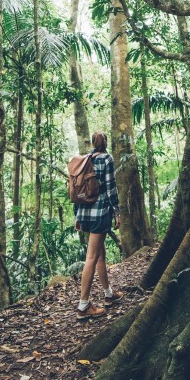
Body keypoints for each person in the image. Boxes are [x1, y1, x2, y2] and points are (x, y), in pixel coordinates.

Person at [74, 131, 121, 318]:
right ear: (106, 143)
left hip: (84, 213)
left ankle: (109, 294)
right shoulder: (107, 159)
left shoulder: (86, 160)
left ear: (93, 143)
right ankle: (83, 306)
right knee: (92, 257)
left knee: (100, 254)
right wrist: (117, 212)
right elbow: (110, 188)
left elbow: (77, 189)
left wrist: (77, 216)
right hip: (100, 213)